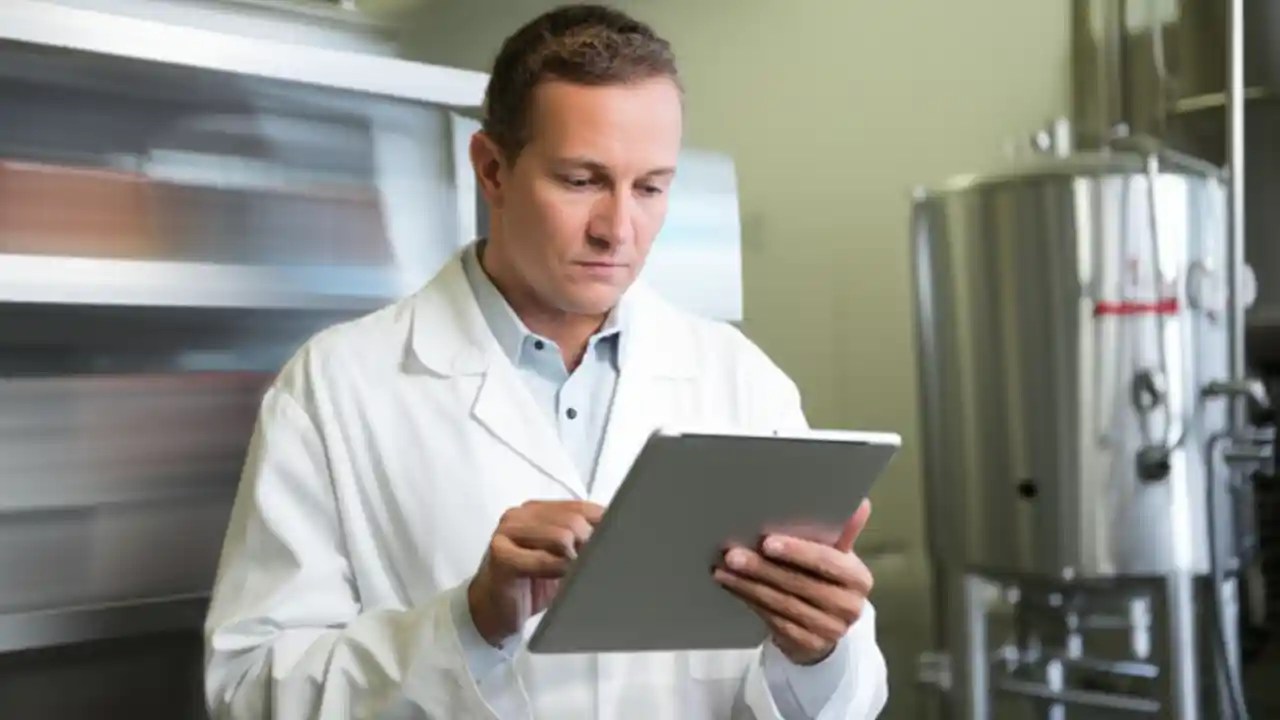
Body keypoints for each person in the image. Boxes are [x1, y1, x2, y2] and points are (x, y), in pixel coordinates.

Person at [203, 4, 887, 718]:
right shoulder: (336, 387)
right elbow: (249, 693)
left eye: (650, 187)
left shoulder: (740, 381)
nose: (618, 228)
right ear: (492, 169)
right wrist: (470, 622)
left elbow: (845, 697)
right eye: (582, 180)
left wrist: (818, 655)